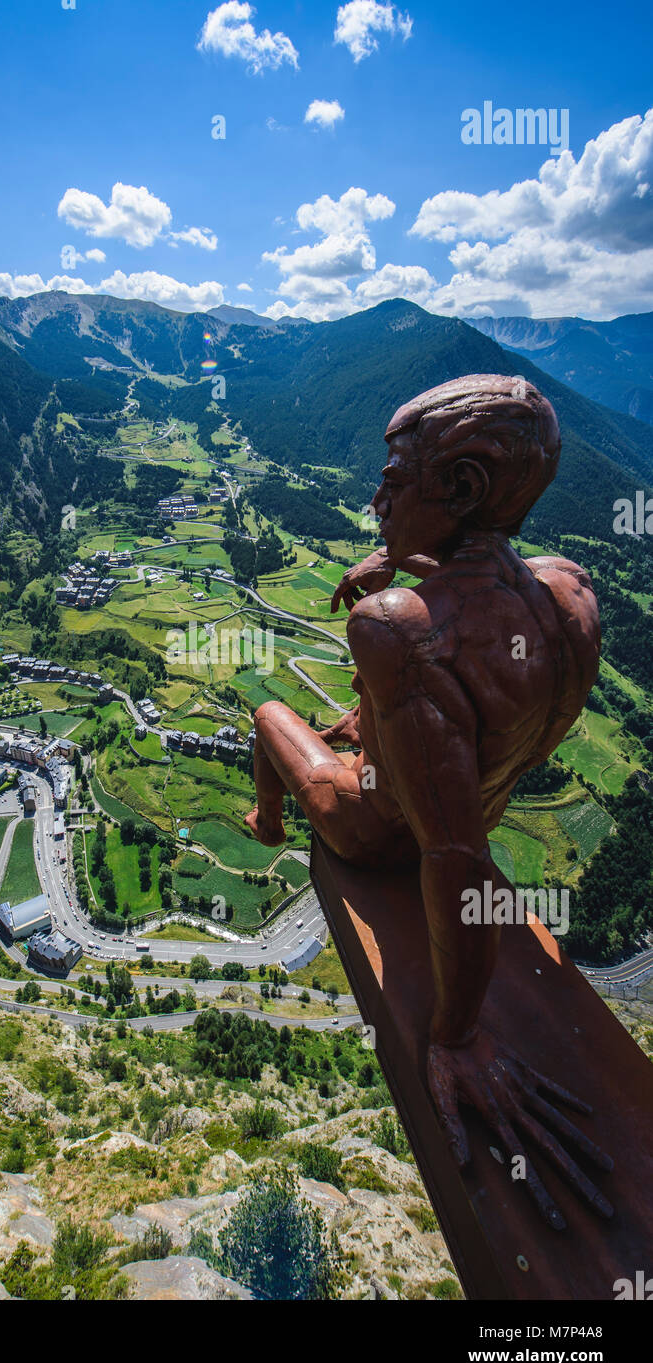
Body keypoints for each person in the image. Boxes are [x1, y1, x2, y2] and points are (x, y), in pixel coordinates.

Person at [245, 374, 612, 1228]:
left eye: (395, 478)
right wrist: (404, 563)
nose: (375, 498)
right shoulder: (571, 594)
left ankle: (264, 823)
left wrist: (456, 1039)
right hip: (470, 801)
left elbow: (453, 859)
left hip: (381, 832)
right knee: (375, 718)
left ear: (461, 488)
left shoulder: (395, 626)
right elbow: (479, 613)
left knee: (268, 715)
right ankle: (367, 734)